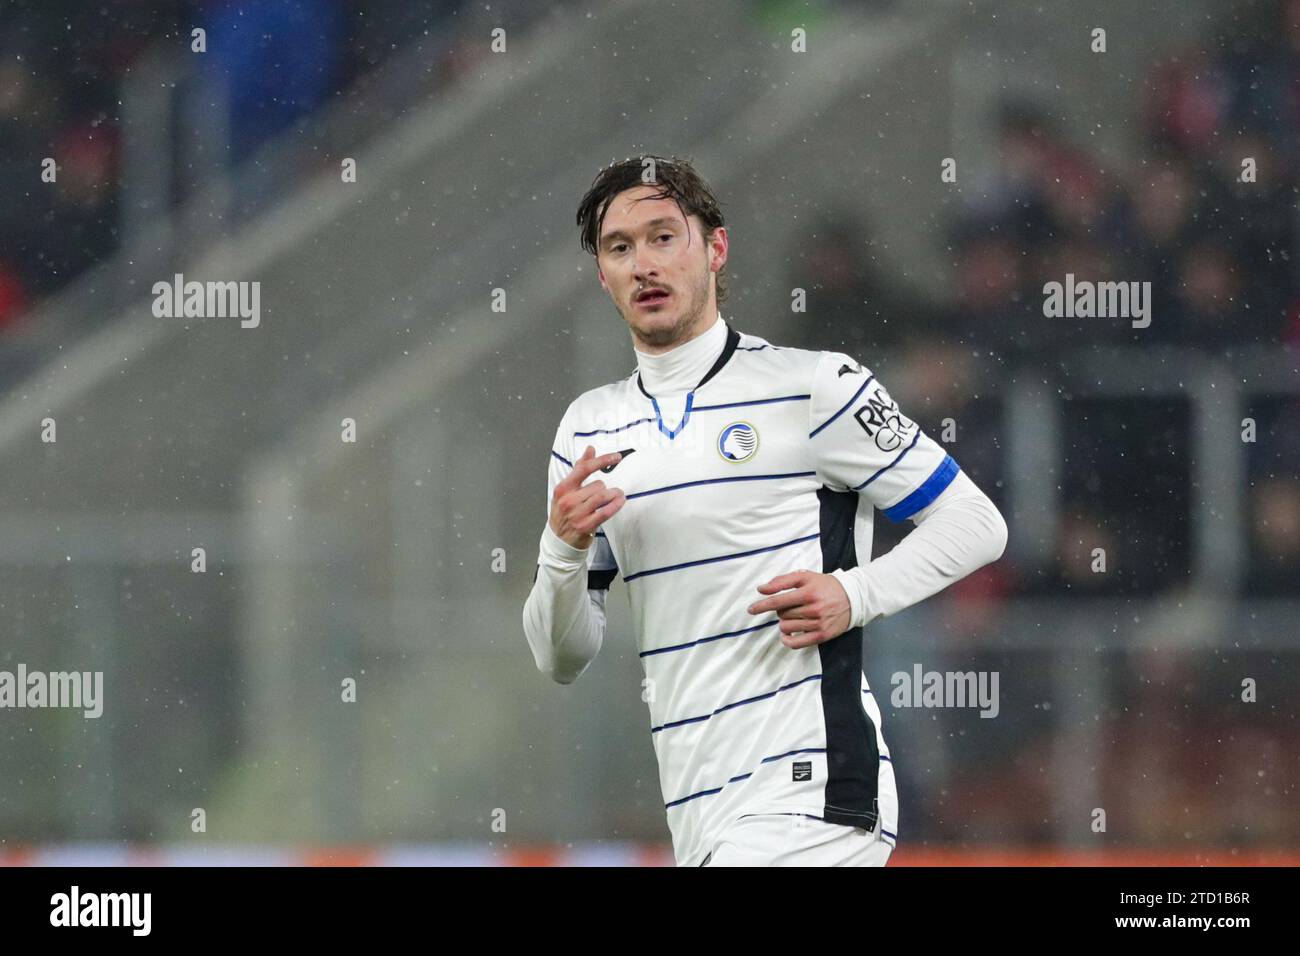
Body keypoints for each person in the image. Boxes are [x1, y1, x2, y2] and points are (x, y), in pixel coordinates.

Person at [522, 155, 1008, 866]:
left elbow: (976, 523)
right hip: (702, 813)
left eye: (664, 236)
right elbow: (561, 656)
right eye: (620, 247)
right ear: (603, 274)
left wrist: (855, 593)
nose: (644, 264)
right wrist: (561, 551)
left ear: (715, 248)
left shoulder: (815, 386)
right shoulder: (586, 431)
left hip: (816, 791)